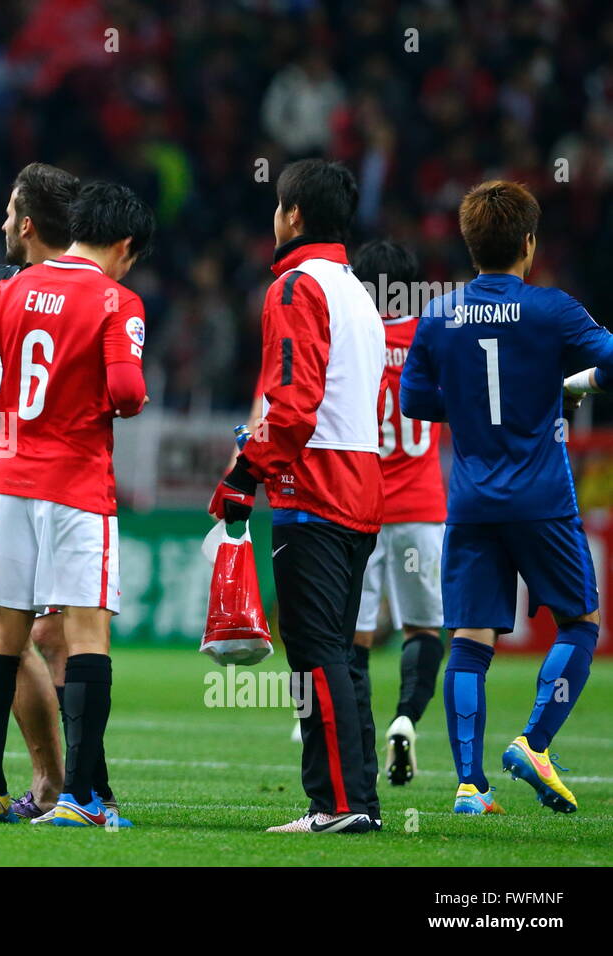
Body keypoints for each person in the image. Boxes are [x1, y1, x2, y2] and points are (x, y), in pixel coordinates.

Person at [402, 180, 611, 816]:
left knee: (469, 636)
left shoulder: (439, 314)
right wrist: (570, 385)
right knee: (580, 620)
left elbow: (414, 400)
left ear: (469, 246)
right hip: (542, 498)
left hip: (470, 502)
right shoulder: (552, 310)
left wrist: (465, 408)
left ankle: (470, 786)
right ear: (528, 242)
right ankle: (534, 743)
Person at [0, 180, 152, 827]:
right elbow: (126, 391)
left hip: (9, 481)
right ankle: (81, 799)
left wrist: (13, 417)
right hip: (76, 485)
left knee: (2, 631)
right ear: (122, 246)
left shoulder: (11, 289)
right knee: (85, 634)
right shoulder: (118, 301)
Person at [210, 159, 384, 834]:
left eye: (278, 206)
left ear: (294, 217)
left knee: (313, 655)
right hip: (362, 487)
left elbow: (294, 408)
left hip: (313, 488)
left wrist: (243, 475)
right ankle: (356, 800)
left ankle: (336, 805)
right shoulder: (357, 292)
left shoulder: (294, 288)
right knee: (333, 652)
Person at [347, 239, 448, 787]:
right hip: (422, 510)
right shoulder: (431, 338)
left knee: (356, 637)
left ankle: (360, 756)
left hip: (362, 510)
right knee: (423, 628)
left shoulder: (353, 338)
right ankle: (406, 718)